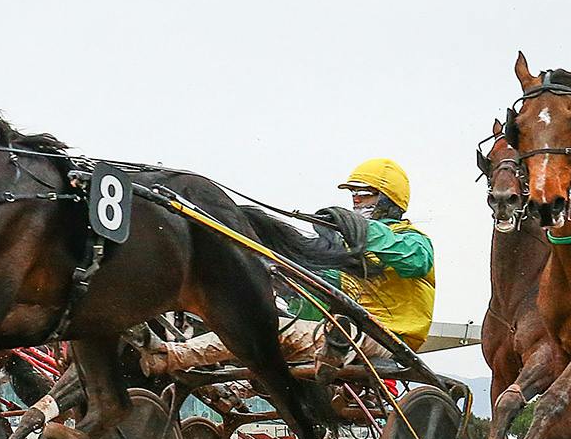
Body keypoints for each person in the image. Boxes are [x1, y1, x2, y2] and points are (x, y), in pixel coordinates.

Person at [143, 158, 436, 371]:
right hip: (343, 332)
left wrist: (359, 229)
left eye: (365, 193)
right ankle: (237, 389)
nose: (356, 199)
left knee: (266, 331)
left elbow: (415, 262)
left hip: (389, 339)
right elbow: (318, 287)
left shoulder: (414, 241)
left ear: (389, 198)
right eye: (353, 194)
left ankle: (168, 356)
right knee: (257, 328)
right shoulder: (347, 252)